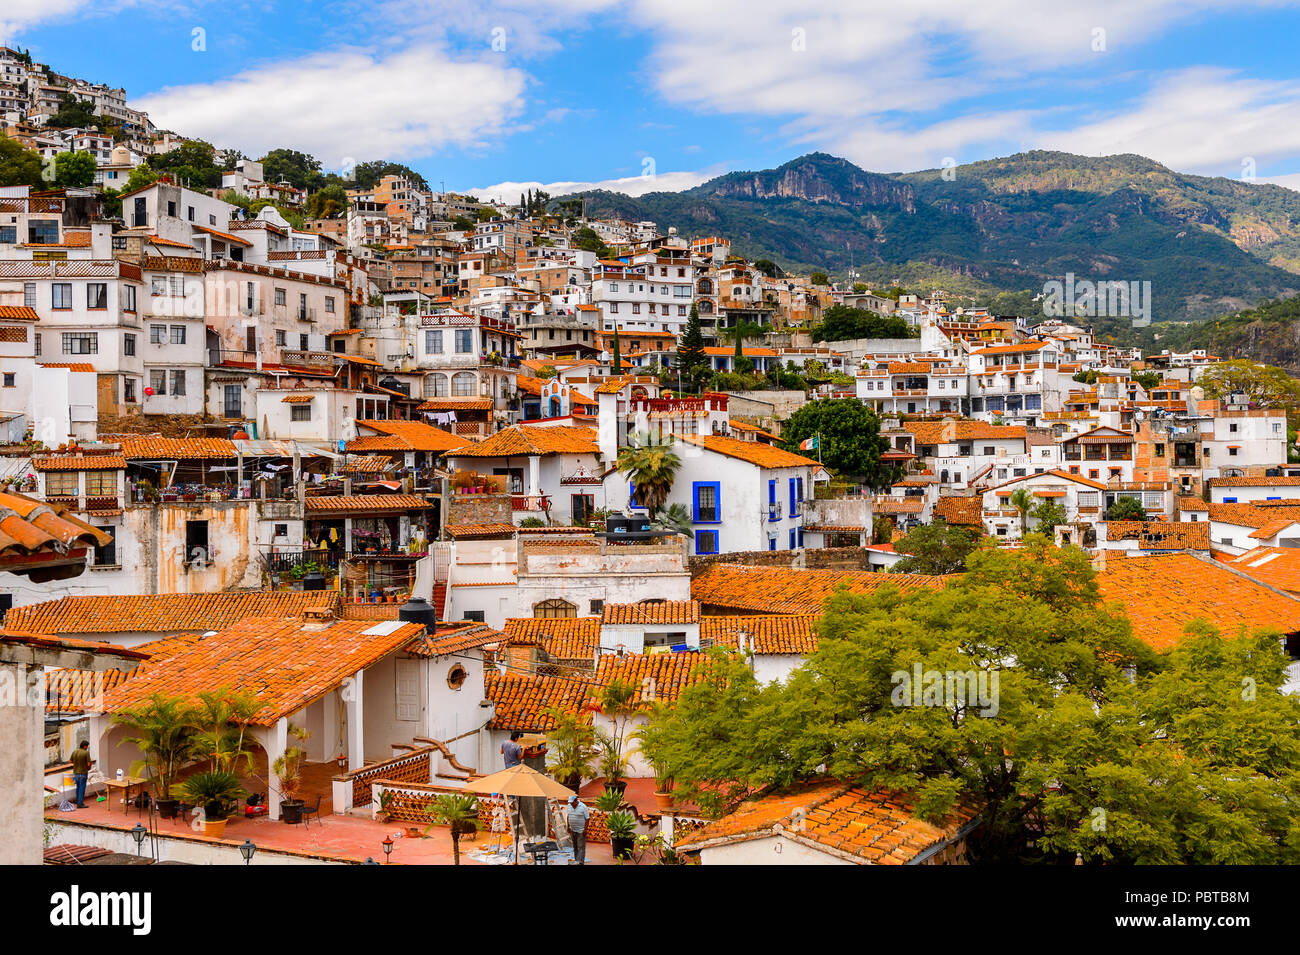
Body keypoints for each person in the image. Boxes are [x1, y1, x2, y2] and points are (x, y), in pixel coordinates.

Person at [566, 794, 589, 865]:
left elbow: (587, 819)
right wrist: (568, 827)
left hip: (581, 831)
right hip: (572, 829)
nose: (571, 804)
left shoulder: (583, 807)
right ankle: (576, 861)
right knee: (575, 846)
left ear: (576, 800)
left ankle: (580, 862)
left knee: (581, 847)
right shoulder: (569, 806)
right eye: (570, 803)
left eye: (572, 803)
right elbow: (568, 816)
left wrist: (585, 830)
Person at [70, 741, 92, 809]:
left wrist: (76, 764)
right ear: (85, 746)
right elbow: (88, 764)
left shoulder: (75, 751)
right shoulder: (86, 753)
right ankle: (80, 804)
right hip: (83, 773)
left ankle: (78, 801)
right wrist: (88, 767)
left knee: (78, 788)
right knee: (82, 789)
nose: (87, 747)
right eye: (87, 746)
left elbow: (70, 761)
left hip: (76, 773)